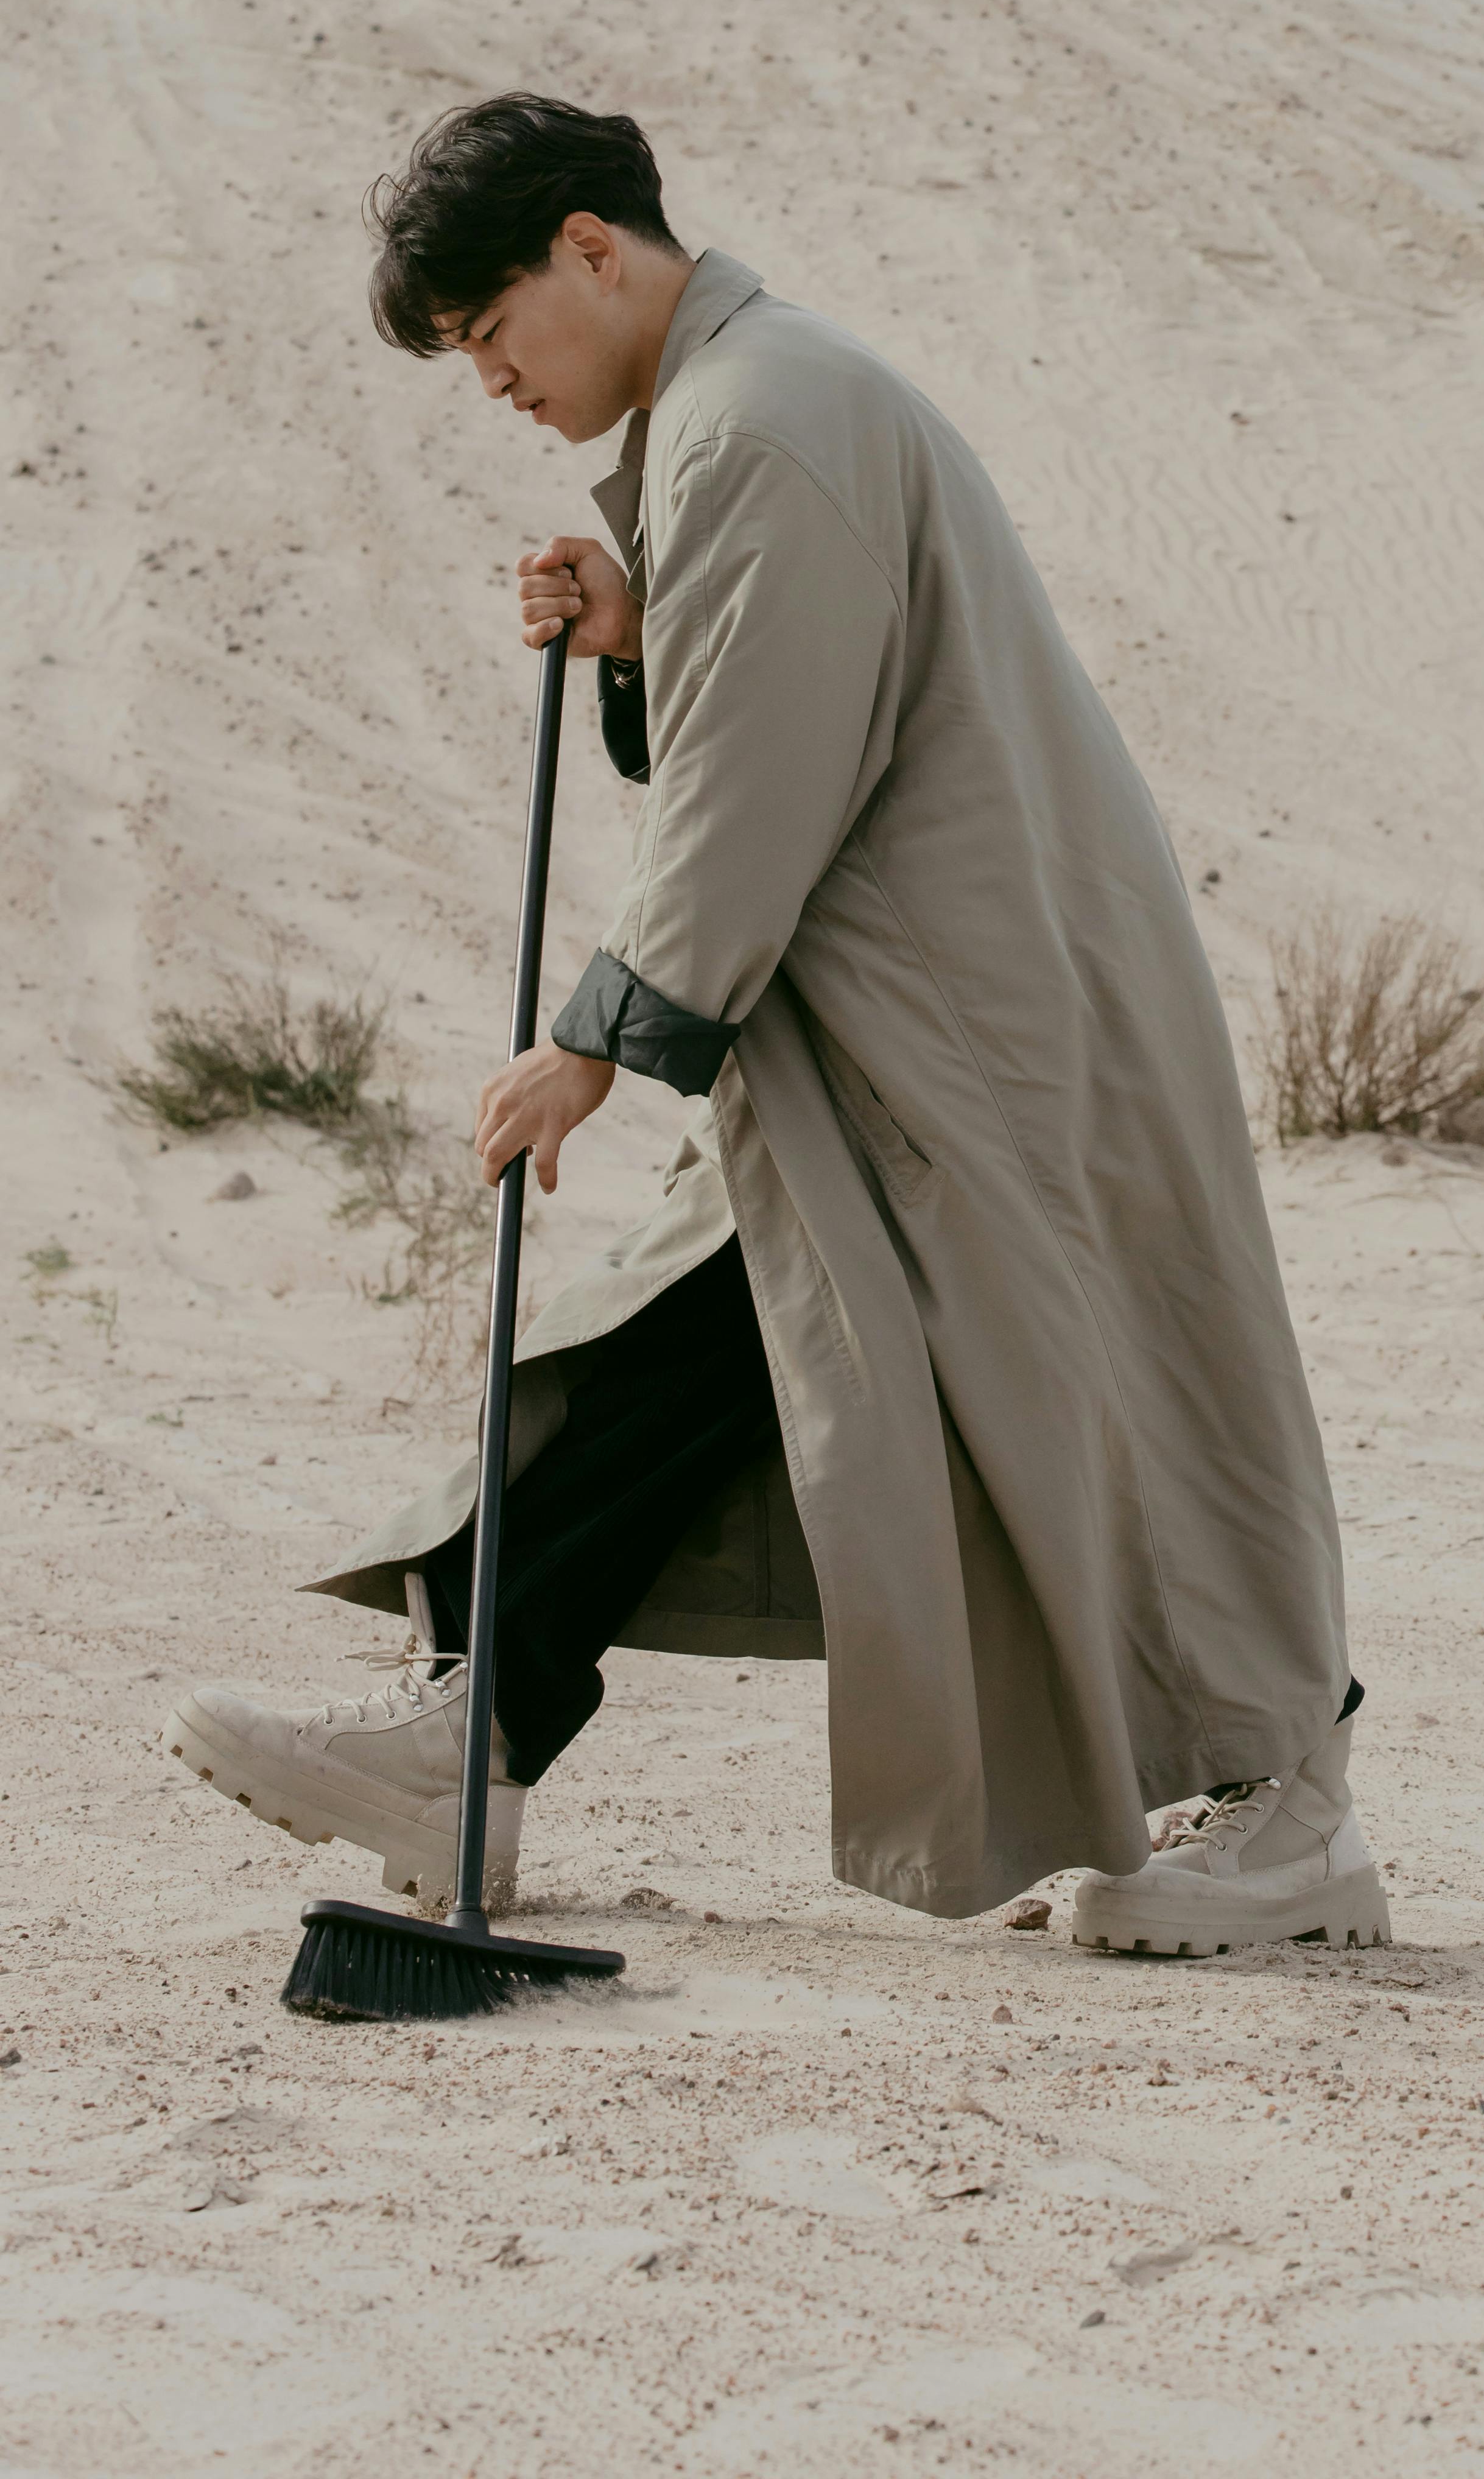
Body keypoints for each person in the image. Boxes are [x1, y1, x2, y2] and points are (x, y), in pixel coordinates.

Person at [163, 94, 1380, 1960]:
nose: (488, 376)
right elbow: (795, 694)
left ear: (592, 246)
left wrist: (596, 1033)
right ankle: (470, 1734)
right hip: (919, 1017)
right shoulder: (754, 410)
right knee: (687, 1348)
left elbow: (760, 786)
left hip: (972, 1028)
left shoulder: (758, 423)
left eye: (494, 329)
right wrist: (650, 633)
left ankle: (1290, 1810)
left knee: (1123, 1389)